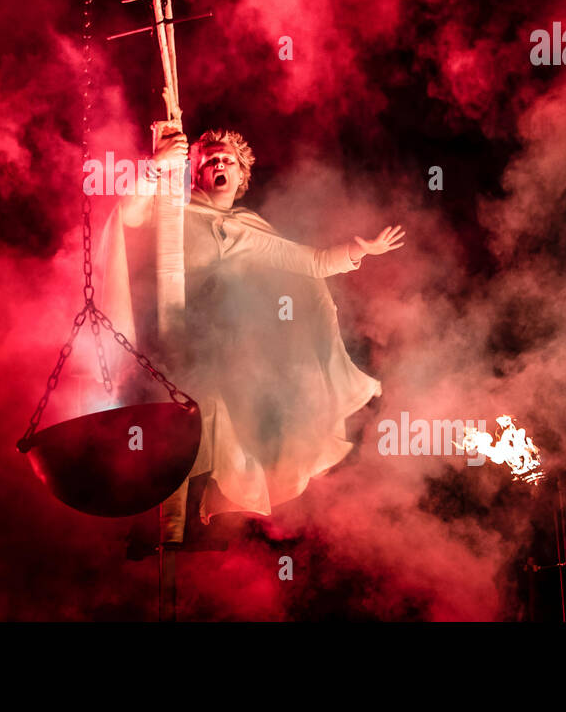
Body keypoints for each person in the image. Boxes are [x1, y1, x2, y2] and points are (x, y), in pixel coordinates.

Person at [98, 126, 405, 548]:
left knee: (219, 421)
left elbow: (312, 265)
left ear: (242, 177)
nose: (218, 164)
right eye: (209, 159)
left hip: (214, 348)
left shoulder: (247, 228)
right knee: (173, 423)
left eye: (228, 160)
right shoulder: (172, 209)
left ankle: (192, 521)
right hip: (161, 341)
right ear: (196, 173)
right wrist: (157, 165)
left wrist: (360, 251)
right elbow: (128, 216)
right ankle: (154, 513)